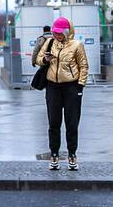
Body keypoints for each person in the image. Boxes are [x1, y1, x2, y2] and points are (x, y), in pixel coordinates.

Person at [35, 16, 88, 171]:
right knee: (53, 123)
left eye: (60, 33)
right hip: (53, 87)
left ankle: (72, 154)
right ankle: (54, 155)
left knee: (72, 123)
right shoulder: (49, 43)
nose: (57, 36)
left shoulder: (77, 45)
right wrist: (45, 59)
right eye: (55, 33)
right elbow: (38, 60)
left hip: (72, 87)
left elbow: (84, 66)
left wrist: (80, 86)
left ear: (67, 32)